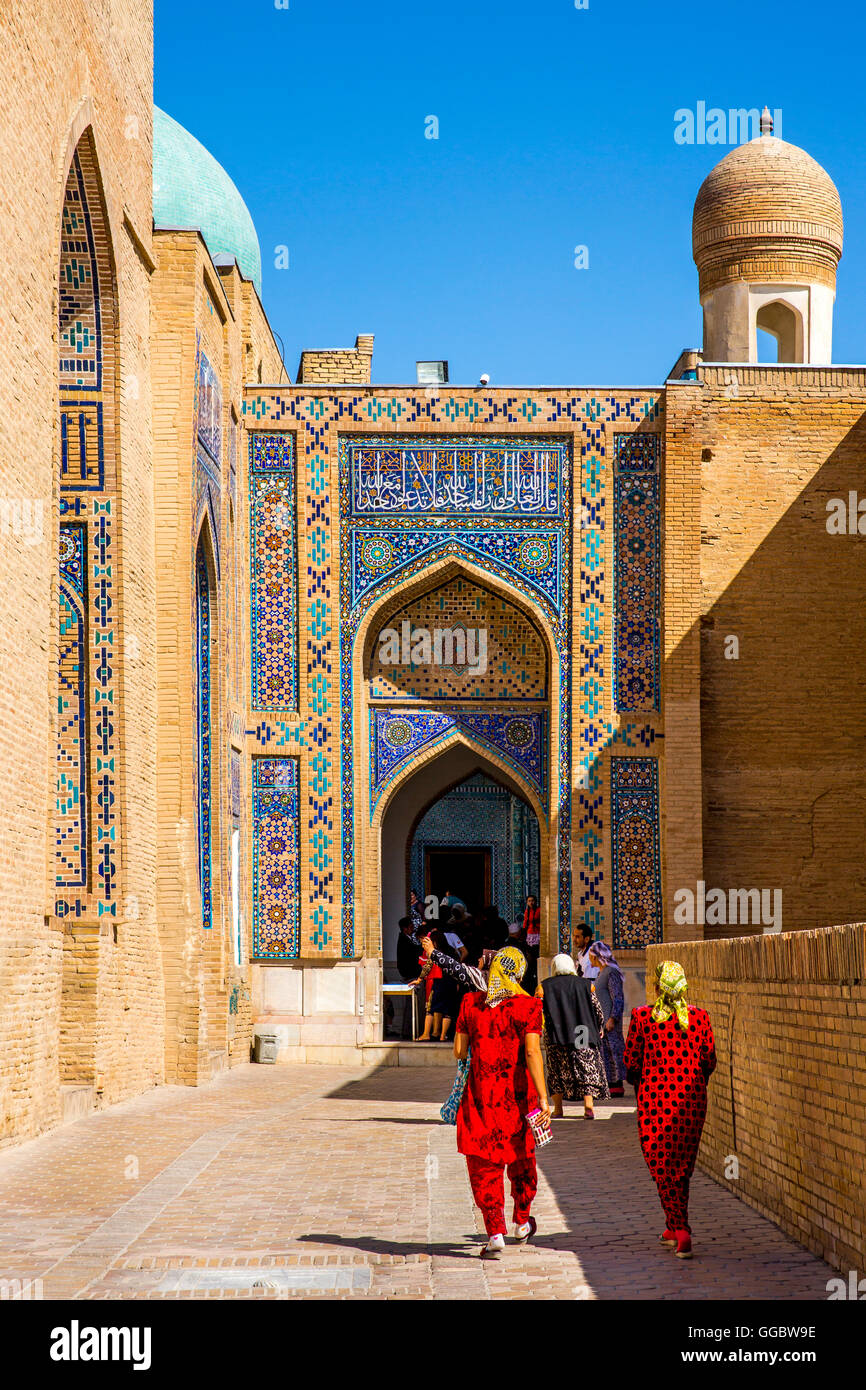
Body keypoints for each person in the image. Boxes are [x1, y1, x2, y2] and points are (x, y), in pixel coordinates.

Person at [454, 946, 549, 1258]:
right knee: (522, 1159)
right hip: (518, 1099)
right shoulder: (529, 1006)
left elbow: (458, 1051)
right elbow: (533, 1052)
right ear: (518, 972)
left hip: (481, 1097)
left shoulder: (470, 1003)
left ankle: (495, 1231)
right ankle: (522, 1222)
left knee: (485, 1164)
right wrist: (545, 1098)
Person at [623, 960, 716, 1260]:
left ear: (659, 985)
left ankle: (682, 1229)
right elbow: (709, 1061)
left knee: (661, 1163)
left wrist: (643, 1082)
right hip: (691, 1102)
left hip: (655, 1100)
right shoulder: (699, 1018)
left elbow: (631, 1062)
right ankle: (672, 1225)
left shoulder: (643, 1018)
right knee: (681, 1166)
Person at [540, 954, 609, 1119]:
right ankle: (588, 1106)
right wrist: (600, 1026)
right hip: (581, 1030)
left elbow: (539, 1012)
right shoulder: (586, 985)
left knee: (556, 1069)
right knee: (585, 1066)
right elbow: (597, 1010)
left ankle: (558, 1109)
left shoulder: (544, 986)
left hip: (557, 1032)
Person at [589, 940, 626, 1098]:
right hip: (602, 1023)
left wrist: (613, 1018)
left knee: (614, 1053)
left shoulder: (611, 972)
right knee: (606, 1054)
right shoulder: (602, 973)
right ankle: (611, 1085)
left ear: (597, 957)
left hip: (610, 1022)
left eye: (591, 956)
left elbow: (617, 997)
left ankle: (617, 1086)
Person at [410, 929, 458, 1042]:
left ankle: (427, 1034)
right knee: (447, 1011)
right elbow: (457, 968)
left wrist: (419, 979)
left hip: (439, 982)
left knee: (432, 1009)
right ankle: (442, 1036)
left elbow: (428, 966)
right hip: (450, 982)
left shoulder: (435, 953)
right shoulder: (452, 951)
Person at [396, 917, 420, 983]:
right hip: (409, 972)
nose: (413, 929)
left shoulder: (406, 939)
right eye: (411, 927)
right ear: (405, 928)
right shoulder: (404, 940)